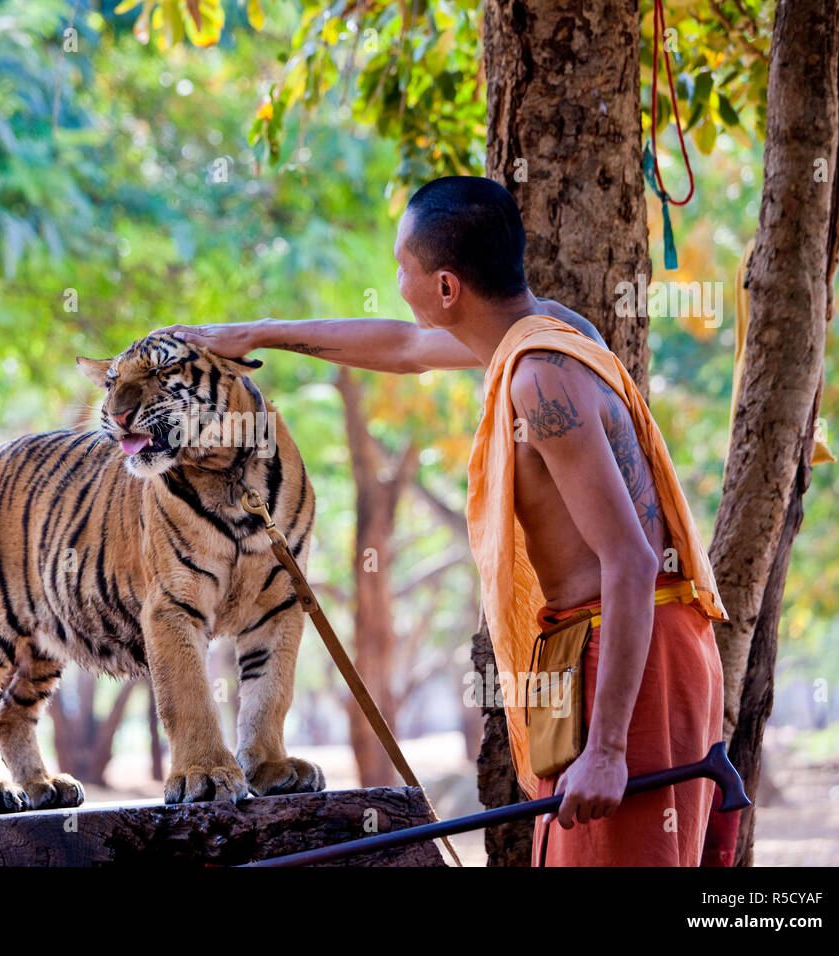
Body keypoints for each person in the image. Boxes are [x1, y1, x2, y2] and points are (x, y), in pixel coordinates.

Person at [157, 175, 729, 866]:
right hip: (598, 645)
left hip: (630, 651)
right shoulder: (544, 330)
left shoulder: (542, 377)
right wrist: (257, 335)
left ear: (448, 288)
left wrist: (607, 750)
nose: (398, 281)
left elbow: (632, 562)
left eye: (404, 268)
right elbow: (400, 347)